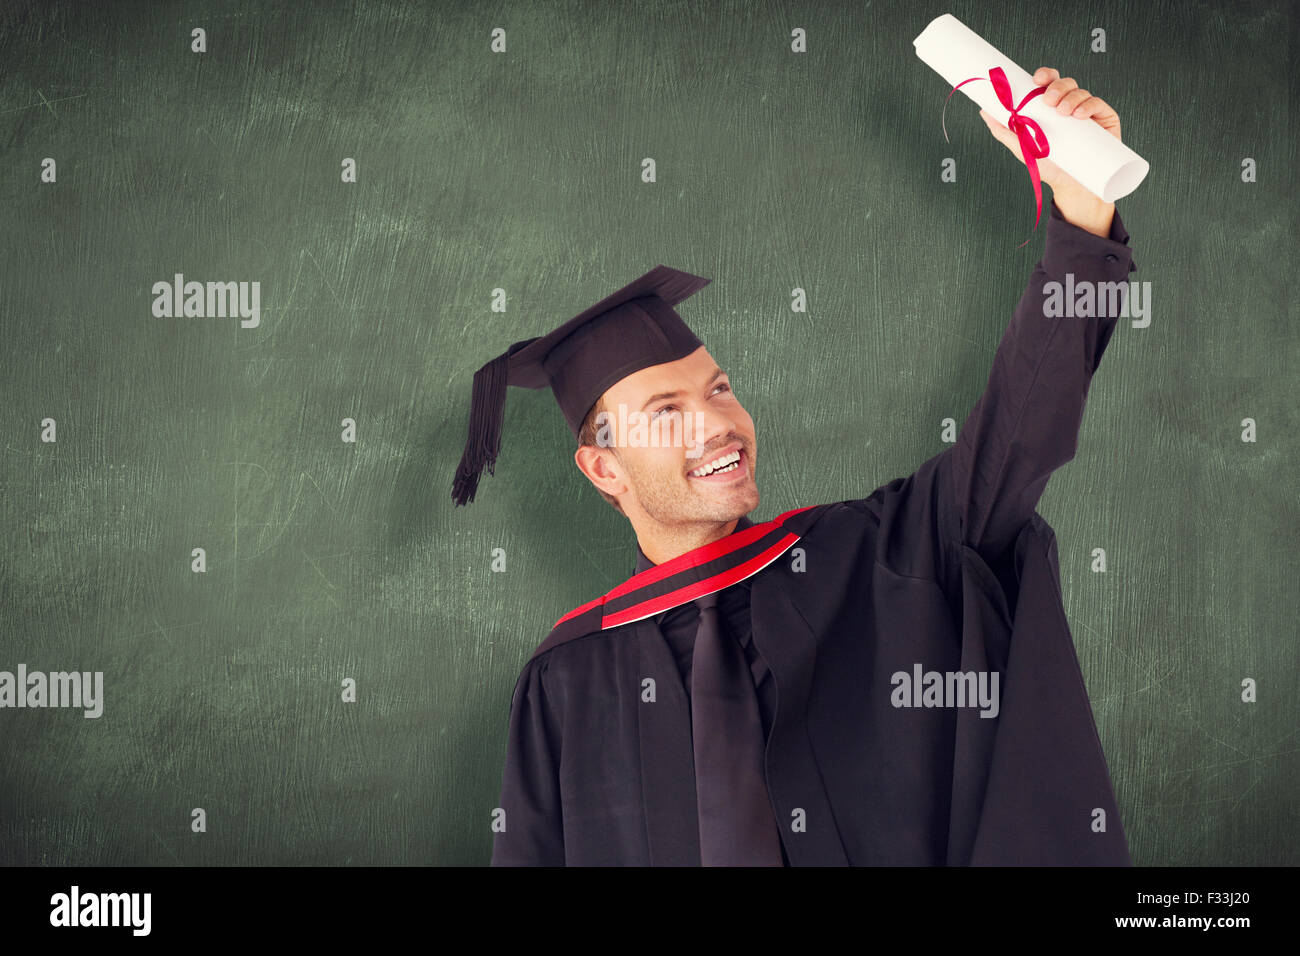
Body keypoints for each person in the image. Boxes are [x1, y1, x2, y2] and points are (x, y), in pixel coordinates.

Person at [455, 68, 1135, 866]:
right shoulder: (564, 683)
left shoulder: (881, 556)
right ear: (605, 471)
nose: (718, 424)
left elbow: (1024, 423)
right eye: (668, 412)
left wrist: (1082, 214)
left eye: (720, 389)